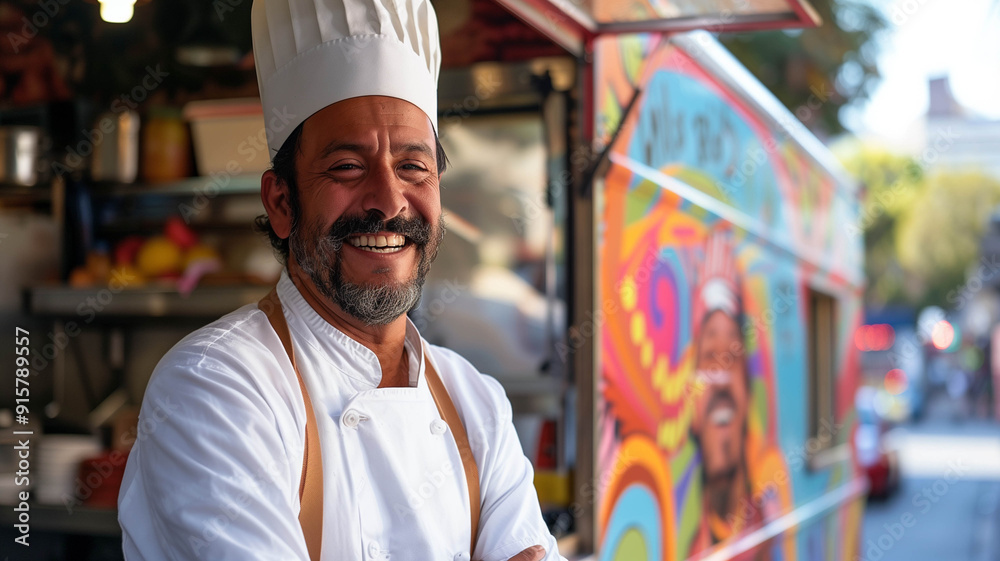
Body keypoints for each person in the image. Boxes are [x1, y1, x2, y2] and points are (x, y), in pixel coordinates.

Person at [117, 1, 563, 560]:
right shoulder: (214, 386)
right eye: (348, 168)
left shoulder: (476, 402)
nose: (389, 201)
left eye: (413, 166)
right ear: (281, 202)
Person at [687, 230, 791, 561]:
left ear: (749, 390)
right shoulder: (685, 533)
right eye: (708, 359)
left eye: (731, 358)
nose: (719, 378)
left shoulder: (770, 518)